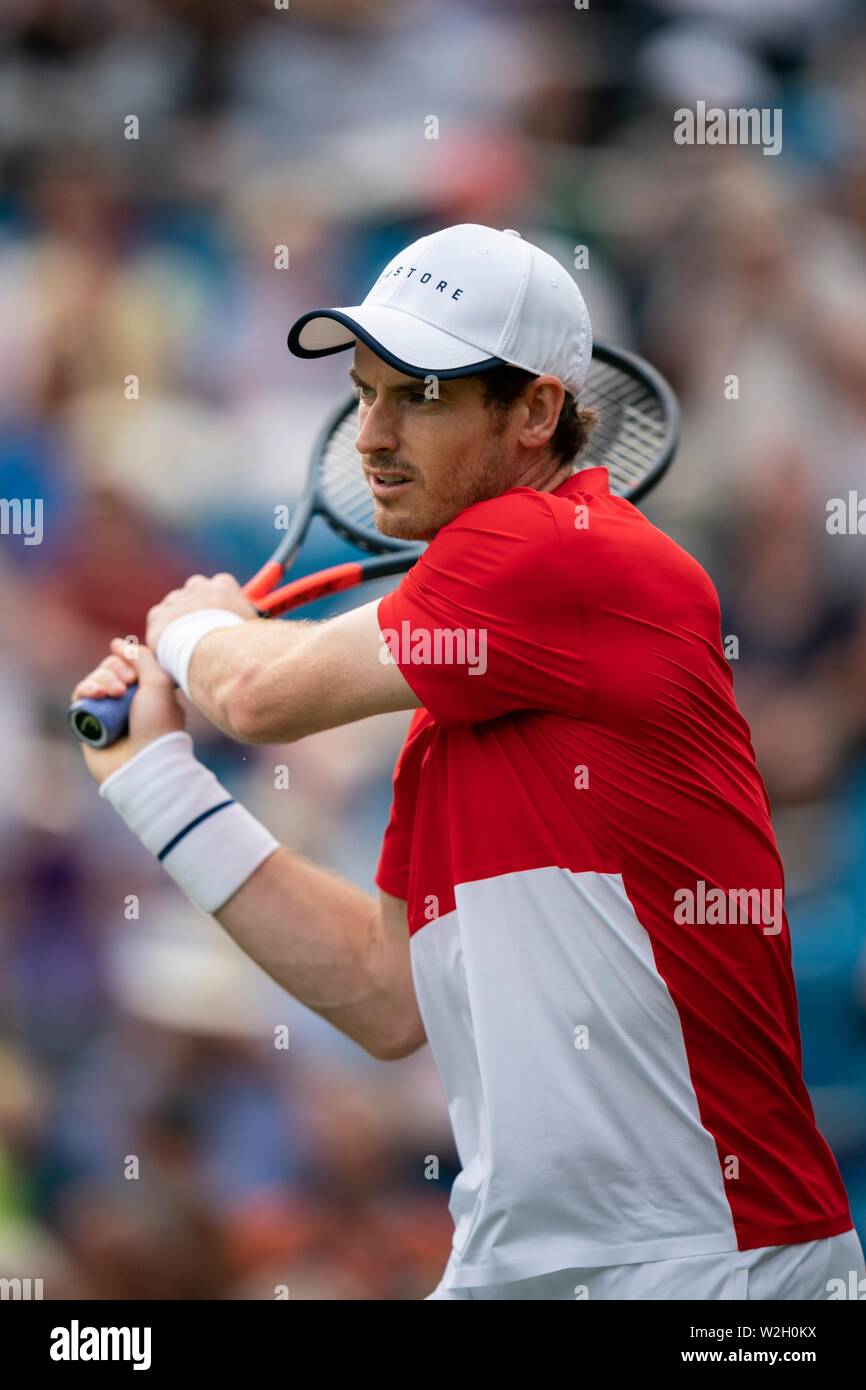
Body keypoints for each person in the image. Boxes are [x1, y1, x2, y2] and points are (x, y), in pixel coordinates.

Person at [72, 224, 864, 1300]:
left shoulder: (558, 543)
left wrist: (188, 626)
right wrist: (155, 781)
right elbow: (383, 995)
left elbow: (255, 694)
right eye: (364, 393)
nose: (373, 434)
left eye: (422, 396)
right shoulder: (451, 723)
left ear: (536, 411)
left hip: (720, 1265)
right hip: (513, 1267)